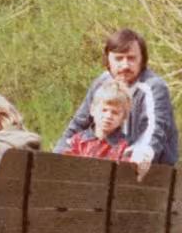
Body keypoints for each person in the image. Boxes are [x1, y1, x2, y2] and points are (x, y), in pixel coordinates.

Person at [53, 29, 177, 181]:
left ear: (142, 59)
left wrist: (141, 155)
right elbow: (79, 123)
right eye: (119, 58)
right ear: (108, 60)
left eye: (131, 58)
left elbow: (155, 130)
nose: (125, 65)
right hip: (106, 167)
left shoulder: (154, 87)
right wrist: (56, 159)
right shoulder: (102, 82)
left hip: (148, 172)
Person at [63, 78, 135, 162]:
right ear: (92, 110)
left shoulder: (126, 147)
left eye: (115, 113)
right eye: (104, 110)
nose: (108, 116)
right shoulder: (77, 141)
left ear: (124, 117)